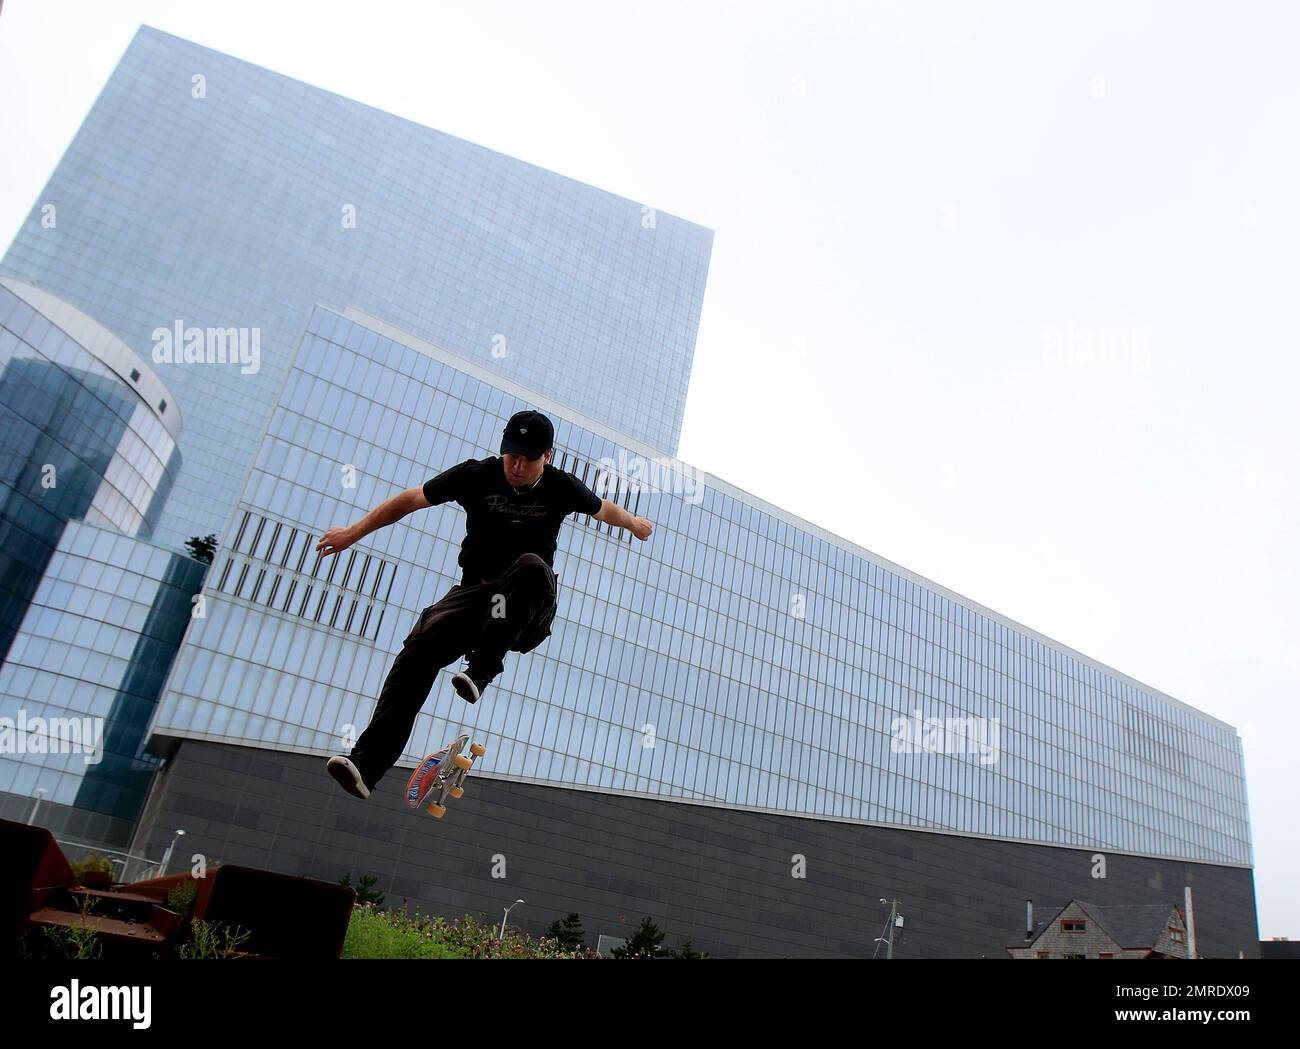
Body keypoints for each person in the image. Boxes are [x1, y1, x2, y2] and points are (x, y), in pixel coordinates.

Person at [319, 410, 653, 799]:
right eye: (512, 455)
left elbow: (603, 509)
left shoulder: (563, 487)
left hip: (526, 605)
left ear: (547, 455)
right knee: (417, 654)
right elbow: (410, 500)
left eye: (528, 459)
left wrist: (633, 522)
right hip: (476, 598)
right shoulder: (476, 475)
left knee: (528, 566)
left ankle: (480, 671)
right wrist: (352, 533)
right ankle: (366, 763)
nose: (517, 465)